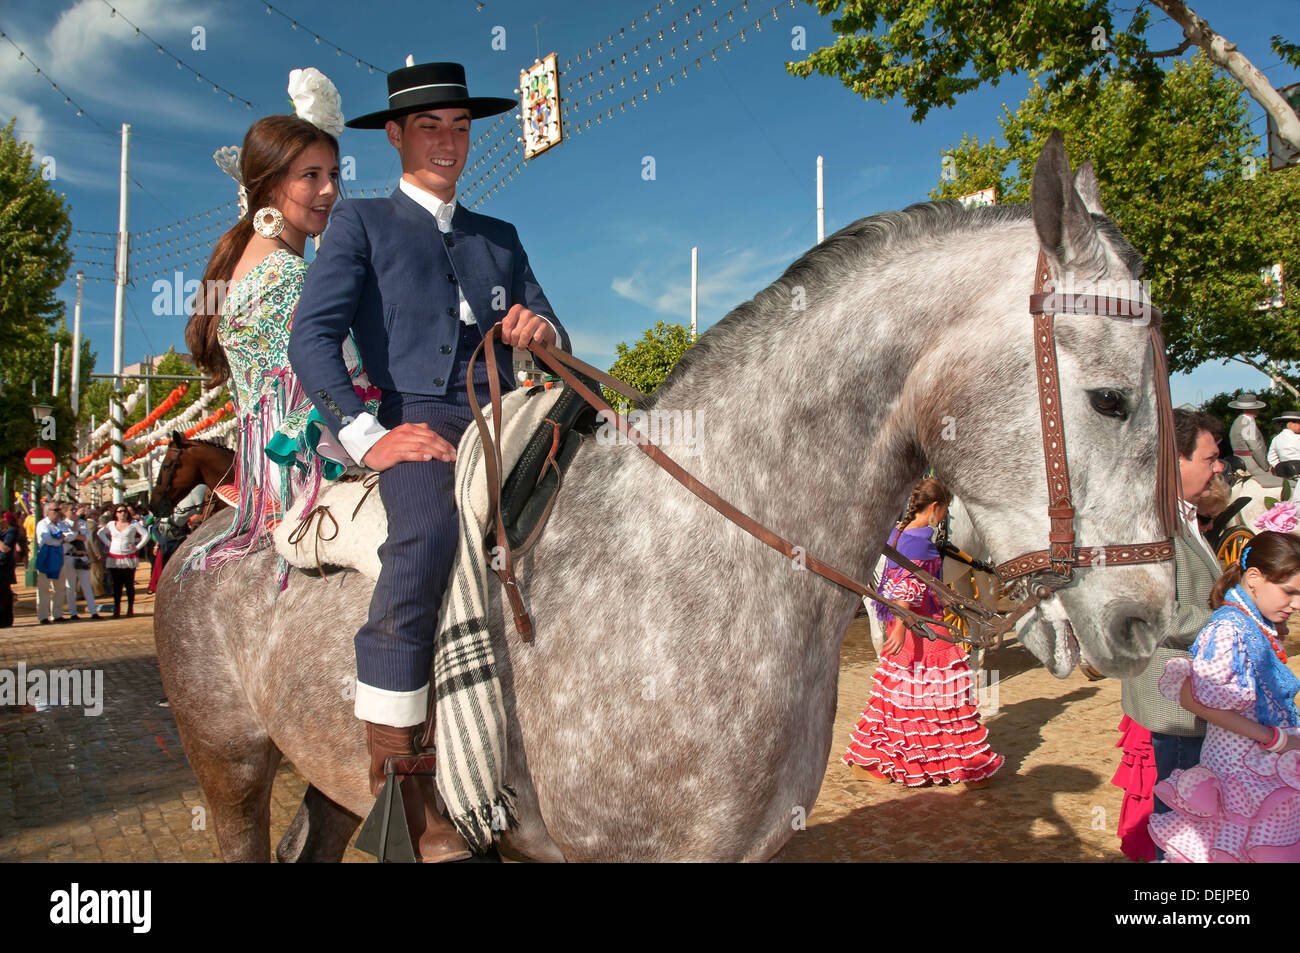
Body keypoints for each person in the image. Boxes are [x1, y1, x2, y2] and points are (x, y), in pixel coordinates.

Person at [288, 59, 571, 862]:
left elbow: (555, 331)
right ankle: (403, 788)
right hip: (416, 423)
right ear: (396, 136)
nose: (449, 142)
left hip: (508, 410)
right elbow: (311, 338)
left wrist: (540, 337)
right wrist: (369, 435)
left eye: (460, 126)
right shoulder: (361, 222)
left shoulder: (501, 236)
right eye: (429, 128)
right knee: (426, 540)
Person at [184, 74, 352, 582]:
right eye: (310, 176)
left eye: (333, 173)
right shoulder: (289, 274)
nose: (329, 190)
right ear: (271, 186)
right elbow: (340, 384)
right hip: (311, 475)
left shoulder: (240, 265)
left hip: (262, 484)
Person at [1147, 530, 1300, 862]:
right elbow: (1195, 699)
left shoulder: (1249, 623)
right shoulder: (1229, 630)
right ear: (1255, 578)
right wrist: (1273, 738)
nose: (1297, 604)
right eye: (1289, 592)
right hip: (1243, 774)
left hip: (1254, 766)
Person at [841, 477, 1003, 787]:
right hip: (922, 627)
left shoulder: (897, 532)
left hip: (903, 625)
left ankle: (880, 763)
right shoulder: (922, 543)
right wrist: (902, 626)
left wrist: (948, 599)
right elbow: (909, 586)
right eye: (944, 511)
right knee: (944, 695)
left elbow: (908, 580)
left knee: (900, 698)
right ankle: (963, 764)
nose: (943, 518)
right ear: (935, 507)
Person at [1113, 409, 1224, 861]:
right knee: (1180, 834)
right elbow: (1155, 615)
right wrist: (1234, 619)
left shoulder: (1184, 517)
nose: (1219, 467)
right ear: (1175, 461)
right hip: (1176, 709)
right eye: (1211, 457)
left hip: (1191, 699)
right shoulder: (1152, 523)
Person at [97, 505, 148, 617]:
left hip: (128, 556)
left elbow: (146, 535)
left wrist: (137, 546)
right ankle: (117, 608)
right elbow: (100, 533)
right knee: (117, 585)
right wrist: (109, 544)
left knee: (129, 584)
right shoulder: (111, 524)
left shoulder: (133, 523)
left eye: (124, 511)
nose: (122, 513)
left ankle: (130, 608)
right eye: (120, 511)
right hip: (114, 557)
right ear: (116, 513)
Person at [1227, 392, 1281, 487]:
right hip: (1251, 463)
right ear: (1253, 408)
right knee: (1285, 484)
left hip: (1240, 460)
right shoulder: (1247, 422)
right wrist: (1266, 466)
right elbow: (1256, 448)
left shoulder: (1238, 421)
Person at [33, 502, 71, 624]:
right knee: (43, 588)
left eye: (59, 509)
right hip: (47, 558)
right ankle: (43, 616)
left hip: (61, 558)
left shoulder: (61, 524)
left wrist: (60, 538)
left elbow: (72, 535)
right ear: (47, 511)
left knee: (59, 587)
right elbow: (46, 540)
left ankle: (57, 614)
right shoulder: (42, 524)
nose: (58, 512)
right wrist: (61, 540)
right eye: (55, 510)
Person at [1267, 410, 1300, 479]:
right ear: (1291, 424)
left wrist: (1282, 468)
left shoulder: (1275, 439)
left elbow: (1271, 459)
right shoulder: (1298, 438)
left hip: (1285, 474)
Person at [0, 512, 19, 628]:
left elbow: (5, 548)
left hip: (4, 565)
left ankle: (5, 619)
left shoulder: (12, 531)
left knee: (4, 593)